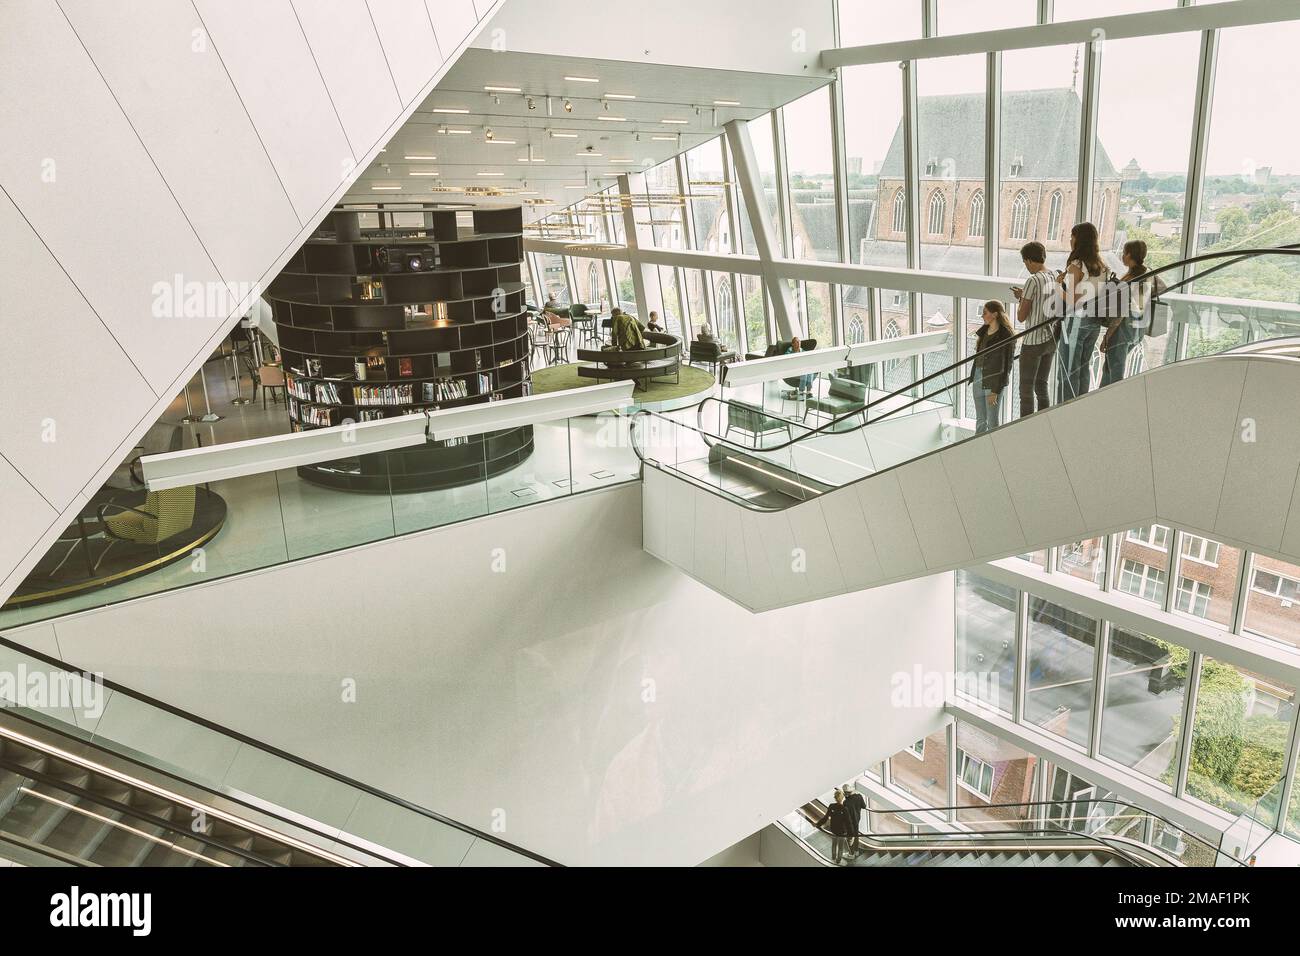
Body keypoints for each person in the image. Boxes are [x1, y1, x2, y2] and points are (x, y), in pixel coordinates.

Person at [1059, 222, 1110, 401]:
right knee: (1083, 367)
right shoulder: (1102, 266)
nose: (1070, 240)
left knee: (1067, 371)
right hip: (1094, 322)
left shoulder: (1077, 265)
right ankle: (1081, 407)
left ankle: (1064, 412)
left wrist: (1056, 287)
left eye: (1073, 236)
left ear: (1079, 240)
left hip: (1076, 322)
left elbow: (1073, 300)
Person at [1099, 240, 1160, 388]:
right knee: (1111, 368)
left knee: (1114, 373)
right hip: (1138, 330)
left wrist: (1107, 336)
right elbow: (1160, 289)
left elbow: (1120, 314)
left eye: (1124, 253)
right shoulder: (1149, 273)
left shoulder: (1131, 279)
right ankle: (1103, 401)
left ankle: (1111, 404)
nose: (1122, 256)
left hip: (1122, 331)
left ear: (1129, 254)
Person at [1010, 241, 1059, 418]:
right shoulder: (1054, 275)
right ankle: (1044, 419)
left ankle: (1026, 425)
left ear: (1030, 260)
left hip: (1033, 342)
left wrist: (1021, 299)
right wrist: (1025, 296)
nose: (1026, 266)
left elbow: (1022, 316)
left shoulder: (1033, 280)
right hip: (1050, 339)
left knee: (1026, 389)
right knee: (1041, 385)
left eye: (1025, 263)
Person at [970, 300, 1015, 435]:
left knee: (992, 419)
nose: (982, 316)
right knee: (980, 419)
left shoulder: (1005, 335)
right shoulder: (984, 331)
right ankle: (978, 446)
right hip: (978, 376)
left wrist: (996, 390)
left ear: (994, 314)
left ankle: (994, 449)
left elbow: (1007, 366)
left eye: (985, 313)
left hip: (993, 380)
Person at [813, 788, 854, 865]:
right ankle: (838, 861)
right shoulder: (845, 809)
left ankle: (833, 858)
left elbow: (825, 818)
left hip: (834, 830)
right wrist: (851, 835)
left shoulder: (831, 806)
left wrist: (818, 824)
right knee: (841, 847)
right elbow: (849, 823)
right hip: (842, 832)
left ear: (835, 798)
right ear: (842, 798)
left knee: (834, 844)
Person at [842, 782, 867, 858]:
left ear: (845, 793)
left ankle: (851, 854)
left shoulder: (846, 802)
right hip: (857, 820)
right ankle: (856, 851)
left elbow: (846, 815)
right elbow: (864, 806)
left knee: (849, 838)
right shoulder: (859, 796)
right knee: (856, 835)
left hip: (850, 823)